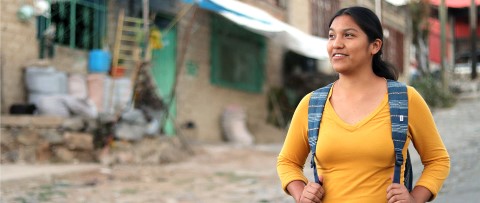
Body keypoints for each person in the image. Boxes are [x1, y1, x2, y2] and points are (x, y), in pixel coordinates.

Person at [277, 6, 450, 203]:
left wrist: (415, 198)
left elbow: (437, 160)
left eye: (348, 35)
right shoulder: (312, 104)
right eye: (332, 36)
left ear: (374, 46)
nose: (337, 44)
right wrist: (301, 193)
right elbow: (287, 162)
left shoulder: (404, 99)